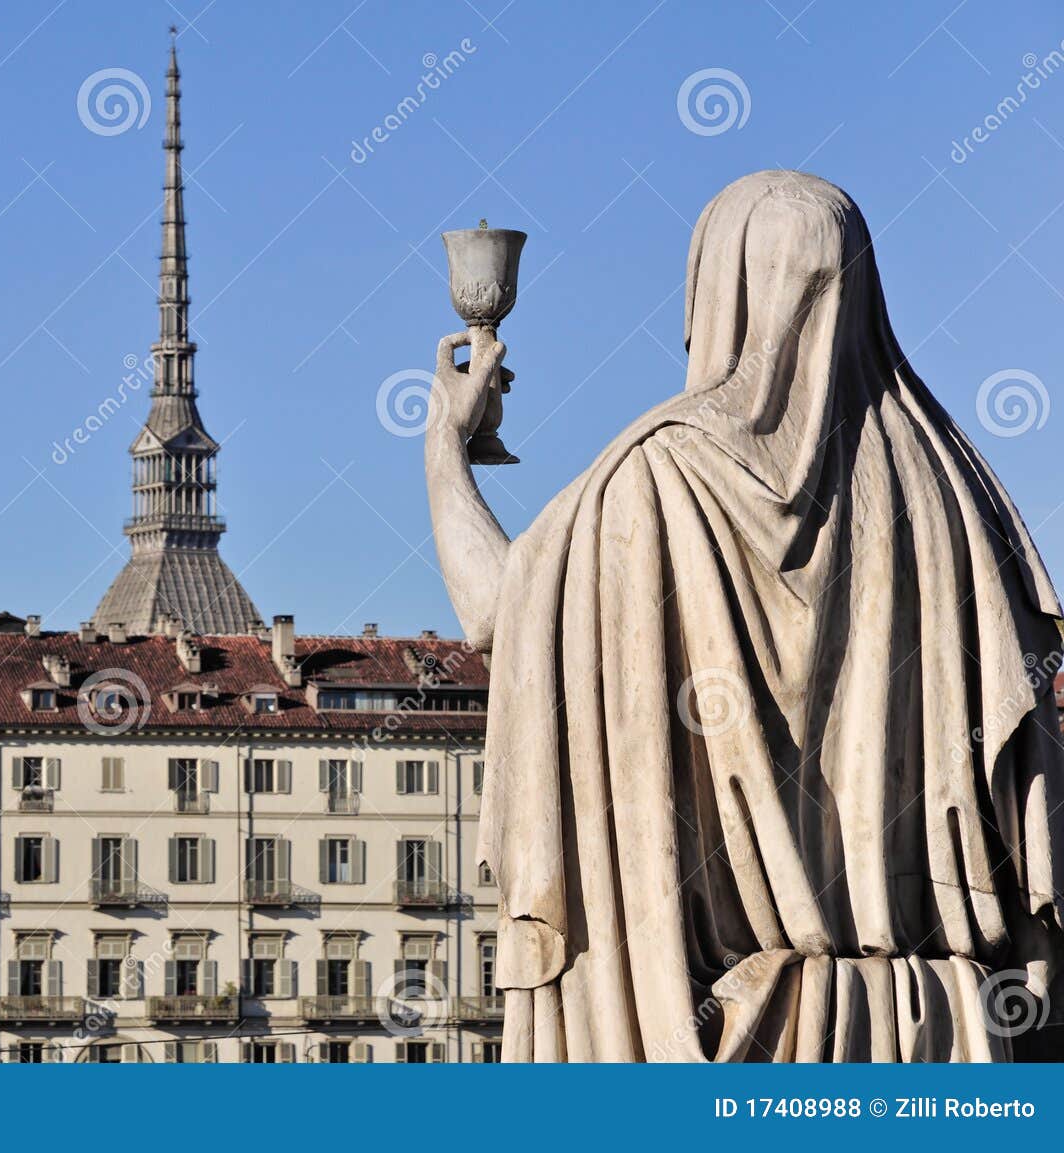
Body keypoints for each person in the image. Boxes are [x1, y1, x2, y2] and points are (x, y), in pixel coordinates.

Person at [426, 170, 1064, 1061]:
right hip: (945, 1040)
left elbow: (500, 613)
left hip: (722, 1032)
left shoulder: (651, 480)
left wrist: (446, 450)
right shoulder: (958, 494)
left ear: (716, 290)